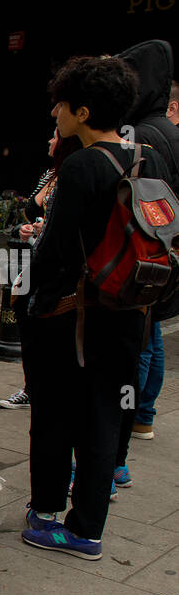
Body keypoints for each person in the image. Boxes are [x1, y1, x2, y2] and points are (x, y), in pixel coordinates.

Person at [20, 54, 159, 560]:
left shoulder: (81, 166)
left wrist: (34, 304)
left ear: (81, 110)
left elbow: (57, 248)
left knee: (55, 411)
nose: (54, 112)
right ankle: (88, 530)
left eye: (61, 103)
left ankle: (47, 511)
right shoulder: (144, 157)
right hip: (128, 309)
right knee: (106, 417)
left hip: (74, 317)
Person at [113, 42, 179, 468]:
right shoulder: (169, 132)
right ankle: (143, 415)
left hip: (145, 252)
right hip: (165, 249)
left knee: (141, 341)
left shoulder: (144, 135)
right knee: (150, 334)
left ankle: (136, 417)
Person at [0, 127, 81, 410]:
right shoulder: (50, 175)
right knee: (24, 317)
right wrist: (26, 229)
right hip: (34, 255)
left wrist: (48, 227)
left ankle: (45, 388)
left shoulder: (73, 174)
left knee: (46, 325)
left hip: (55, 264)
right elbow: (30, 212)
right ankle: (30, 386)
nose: (49, 139)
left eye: (55, 136)